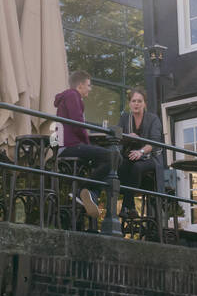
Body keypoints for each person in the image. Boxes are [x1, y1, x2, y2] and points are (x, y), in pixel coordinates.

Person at [53, 70, 111, 222]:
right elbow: (78, 125)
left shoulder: (67, 97)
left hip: (65, 146)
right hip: (71, 146)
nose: (90, 89)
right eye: (89, 85)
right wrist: (87, 143)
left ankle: (90, 194)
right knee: (111, 156)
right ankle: (82, 191)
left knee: (101, 161)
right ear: (80, 86)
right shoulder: (73, 95)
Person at [117, 88, 163, 216]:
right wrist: (127, 136)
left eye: (139, 101)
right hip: (130, 156)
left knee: (136, 166)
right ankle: (130, 207)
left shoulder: (153, 119)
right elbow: (118, 138)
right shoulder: (125, 118)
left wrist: (141, 151)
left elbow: (154, 143)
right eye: (133, 101)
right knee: (122, 165)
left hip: (150, 158)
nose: (136, 104)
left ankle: (126, 206)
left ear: (144, 104)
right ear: (129, 103)